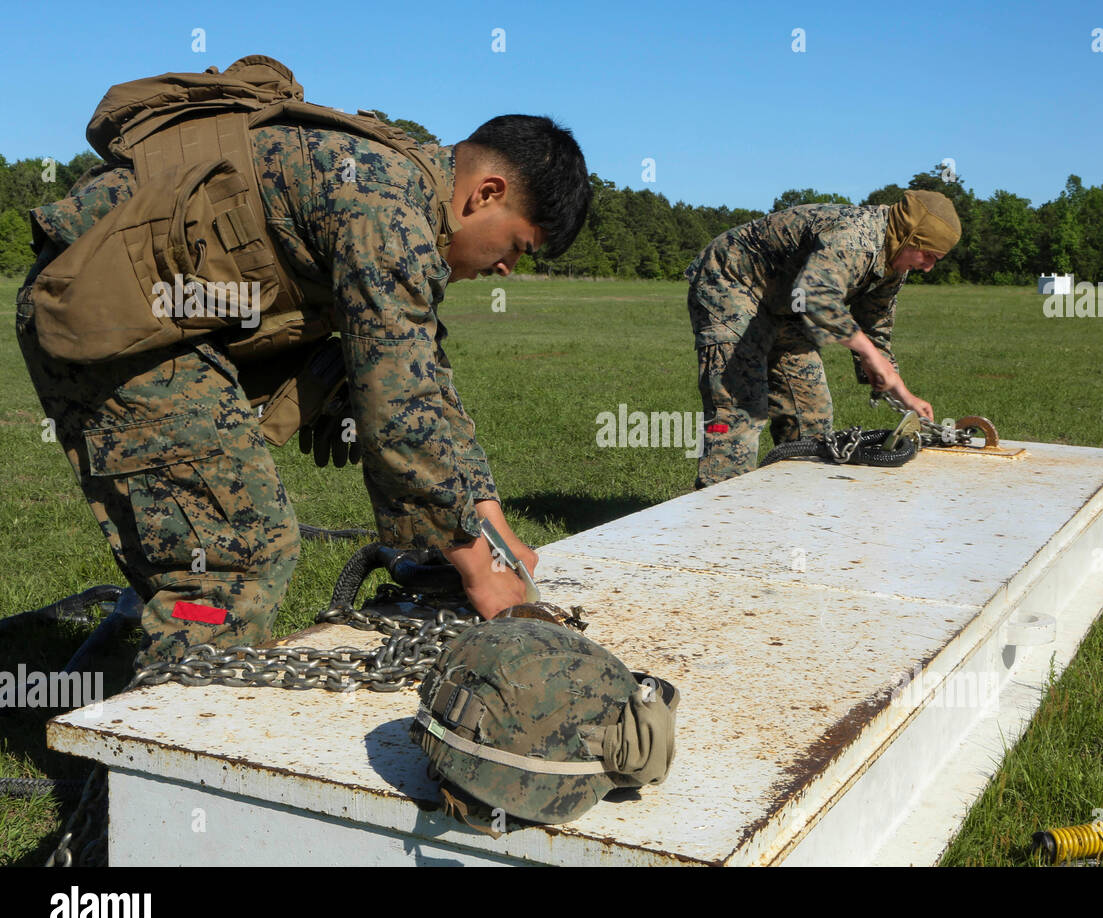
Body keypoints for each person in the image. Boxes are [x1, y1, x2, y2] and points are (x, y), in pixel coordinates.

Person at [16, 59, 591, 664]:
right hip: (106, 311)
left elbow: (426, 383)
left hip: (155, 314)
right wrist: (478, 566)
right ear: (487, 194)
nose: (506, 269)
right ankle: (149, 738)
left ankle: (169, 626)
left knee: (215, 543)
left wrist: (495, 528)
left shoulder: (403, 187)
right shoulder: (386, 204)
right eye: (518, 248)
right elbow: (399, 415)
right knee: (236, 560)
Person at [685, 190, 961, 487]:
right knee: (740, 409)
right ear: (909, 238)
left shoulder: (893, 264)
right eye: (928, 256)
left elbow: (875, 324)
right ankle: (719, 517)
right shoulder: (856, 238)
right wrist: (869, 355)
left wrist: (903, 394)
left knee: (811, 414)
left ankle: (799, 512)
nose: (928, 267)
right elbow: (816, 295)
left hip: (789, 305)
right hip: (732, 282)